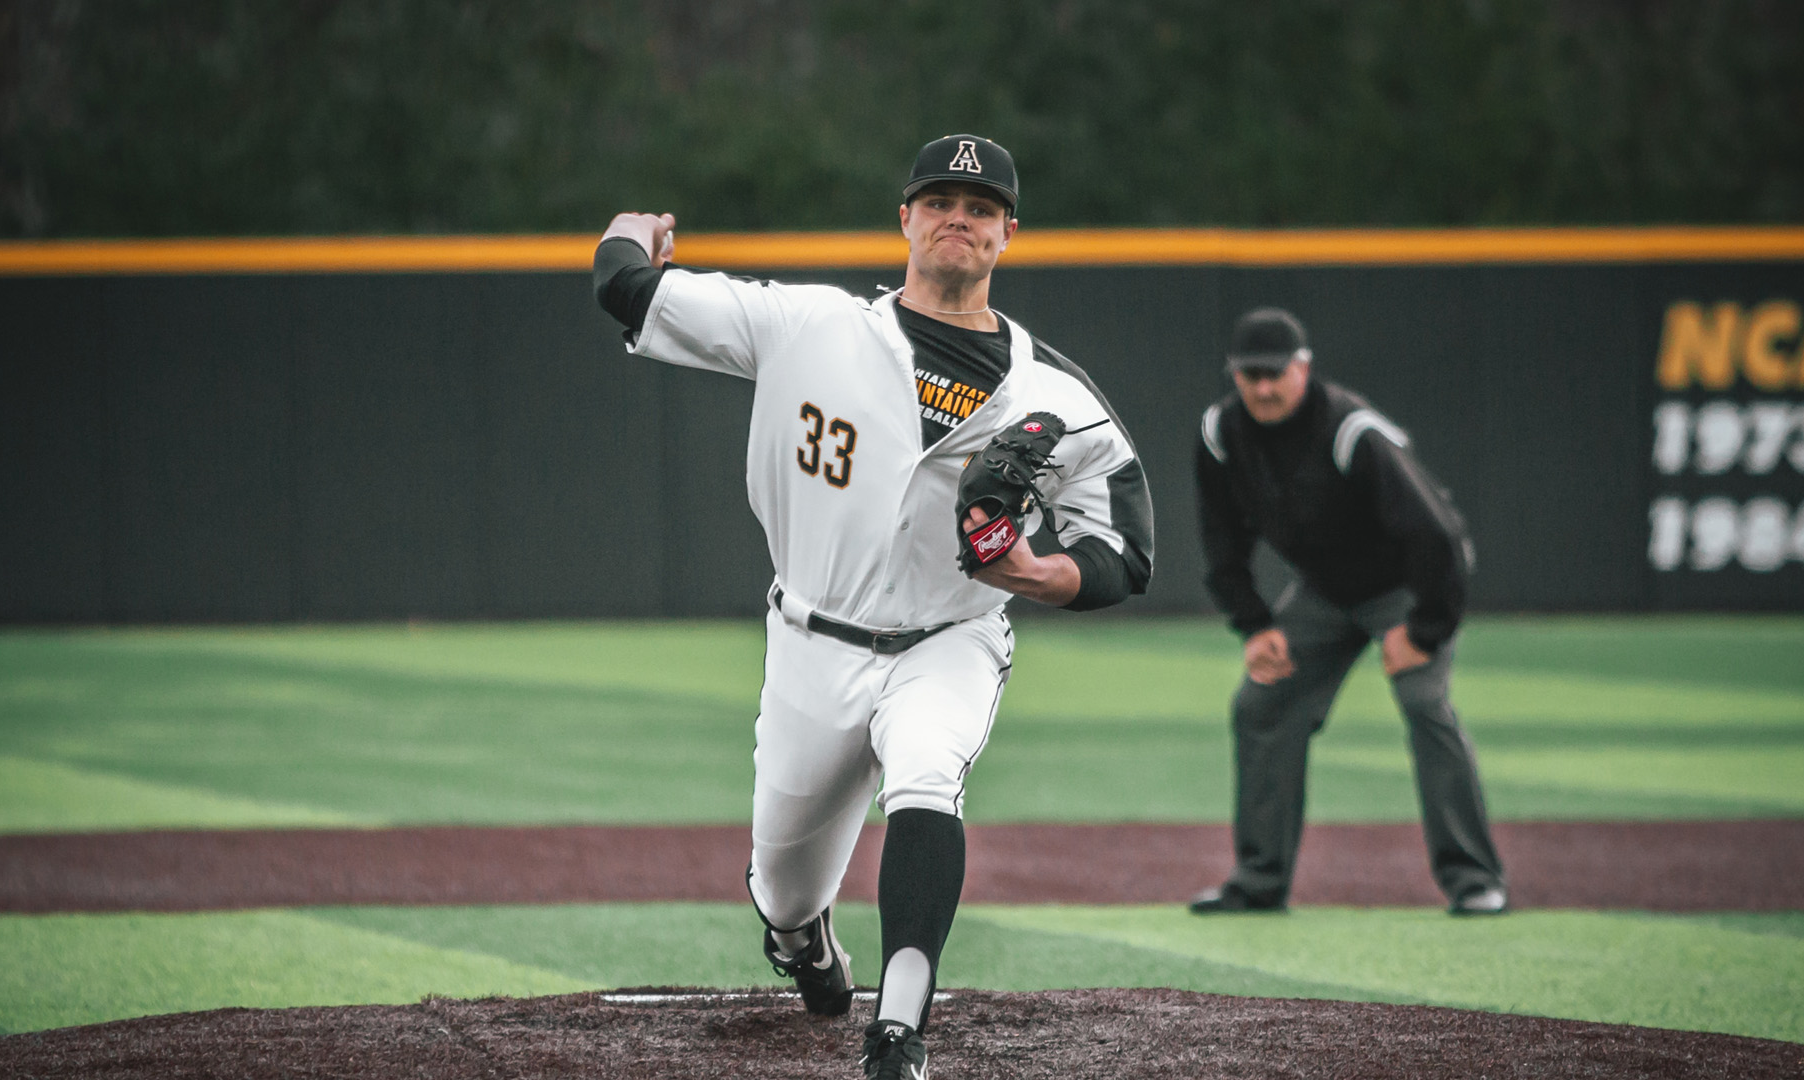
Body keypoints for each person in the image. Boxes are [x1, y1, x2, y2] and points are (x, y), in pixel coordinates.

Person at [591, 134, 1153, 1078]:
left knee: (928, 774)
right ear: (906, 217)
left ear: (1008, 232)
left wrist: (1033, 571)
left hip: (950, 637)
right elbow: (627, 291)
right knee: (782, 882)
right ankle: (803, 937)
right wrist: (624, 232)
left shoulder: (1055, 397)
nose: (958, 218)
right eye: (940, 200)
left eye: (980, 207)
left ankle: (897, 1033)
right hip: (812, 643)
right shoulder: (808, 326)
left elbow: (1124, 553)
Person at [1189, 307, 1507, 917]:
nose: (1263, 387)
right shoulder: (1222, 433)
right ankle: (1259, 882)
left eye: (1275, 373)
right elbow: (1221, 541)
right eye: (1250, 375)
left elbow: (1439, 539)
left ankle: (1474, 880)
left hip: (1409, 584)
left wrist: (1425, 629)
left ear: (1303, 369)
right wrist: (1255, 625)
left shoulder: (1350, 431)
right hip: (1328, 592)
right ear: (1234, 375)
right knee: (1262, 704)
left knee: (1423, 704)